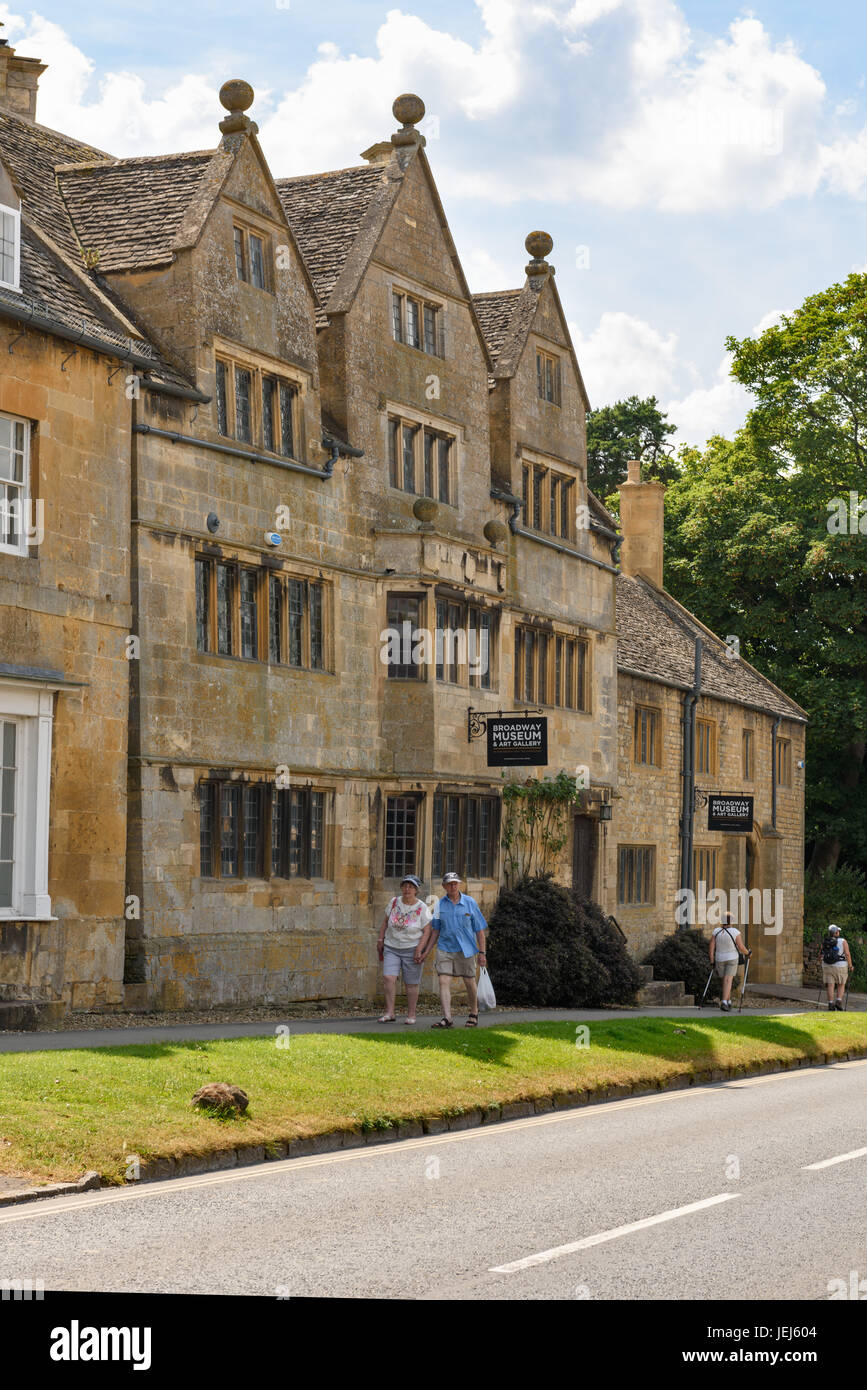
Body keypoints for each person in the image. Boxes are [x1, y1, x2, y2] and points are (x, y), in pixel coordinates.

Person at [419, 872, 488, 1028]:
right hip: (445, 948)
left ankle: (474, 1012)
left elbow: (479, 931)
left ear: (459, 884)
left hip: (466, 949)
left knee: (469, 981)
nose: (453, 886)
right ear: (444, 886)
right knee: (443, 981)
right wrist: (426, 951)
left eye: (455, 883)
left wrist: (482, 953)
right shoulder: (439, 905)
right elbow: (435, 931)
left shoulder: (470, 903)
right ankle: (447, 1018)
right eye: (450, 884)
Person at [376, 876, 432, 1024]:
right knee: (388, 978)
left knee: (411, 983)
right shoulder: (394, 902)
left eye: (411, 887)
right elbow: (385, 922)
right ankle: (390, 1013)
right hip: (391, 946)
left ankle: (411, 1015)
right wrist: (380, 939)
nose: (407, 889)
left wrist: (419, 948)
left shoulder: (422, 908)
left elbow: (427, 930)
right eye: (405, 886)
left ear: (416, 890)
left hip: (411, 948)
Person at [709, 914, 751, 1013]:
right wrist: (748, 953)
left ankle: (728, 1001)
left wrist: (712, 960)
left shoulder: (716, 931)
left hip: (719, 959)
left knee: (725, 980)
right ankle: (724, 1002)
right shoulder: (735, 932)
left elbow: (711, 947)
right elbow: (741, 947)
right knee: (728, 980)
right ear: (731, 921)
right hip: (732, 958)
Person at [821, 924, 852, 1011]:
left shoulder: (825, 941)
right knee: (841, 983)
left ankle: (831, 1004)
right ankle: (838, 1001)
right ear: (836, 932)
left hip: (827, 965)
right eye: (838, 931)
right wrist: (850, 965)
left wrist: (822, 963)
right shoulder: (843, 941)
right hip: (841, 965)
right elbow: (847, 954)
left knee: (830, 985)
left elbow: (821, 954)